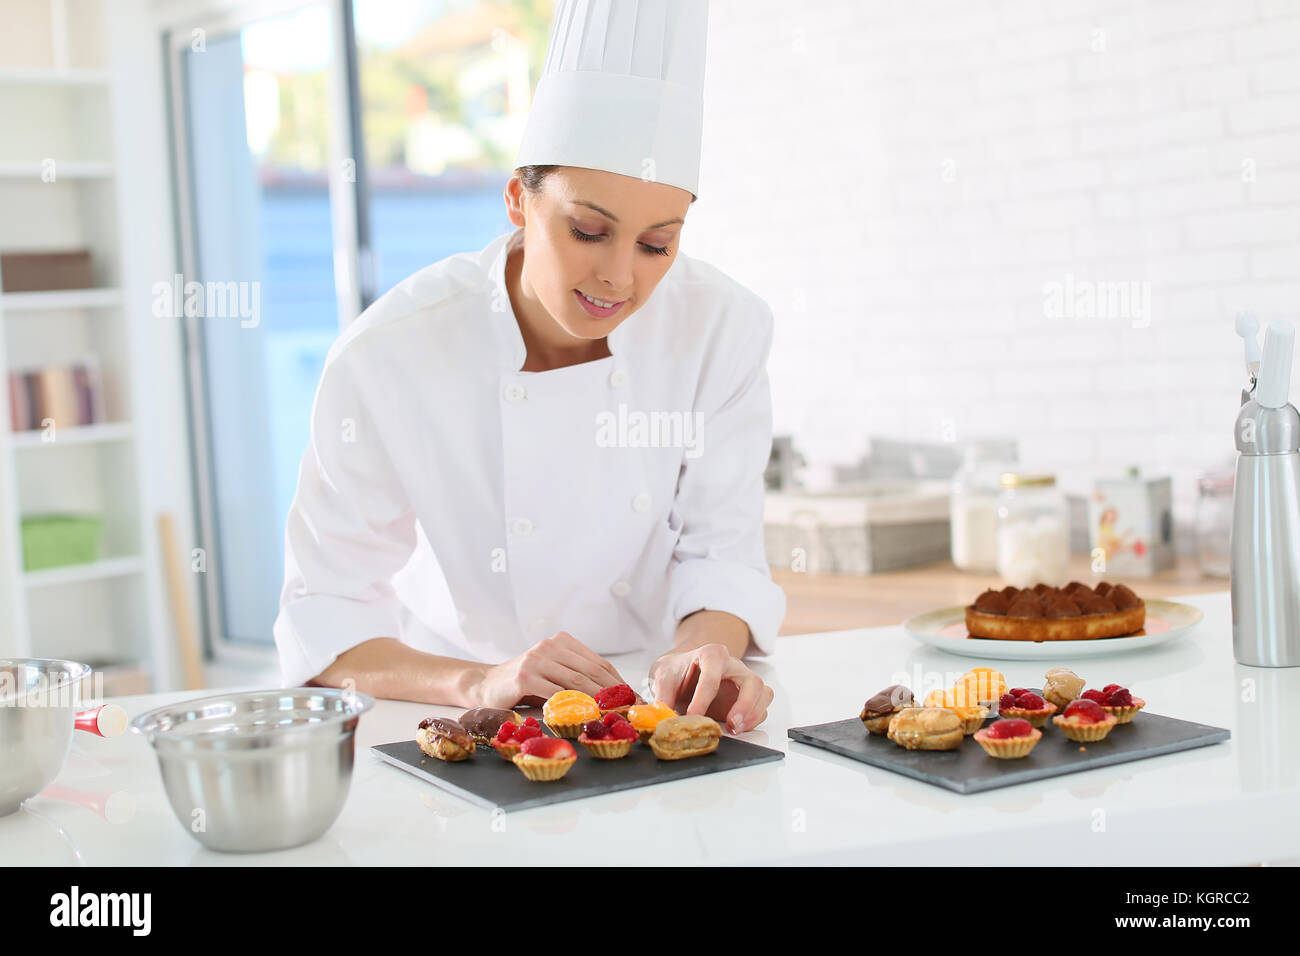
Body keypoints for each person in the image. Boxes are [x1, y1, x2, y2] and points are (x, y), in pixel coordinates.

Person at [273, 0, 784, 734]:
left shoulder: (722, 327)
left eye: (656, 245)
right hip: (457, 713)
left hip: (650, 705)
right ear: (518, 199)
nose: (617, 277)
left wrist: (703, 654)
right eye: (587, 231)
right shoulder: (391, 354)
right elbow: (324, 612)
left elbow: (722, 552)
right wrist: (480, 682)